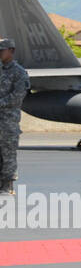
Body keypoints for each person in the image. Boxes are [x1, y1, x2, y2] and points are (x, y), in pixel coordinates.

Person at [0, 37, 29, 196]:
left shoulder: (19, 72)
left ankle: (7, 184)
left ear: (11, 51)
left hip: (8, 121)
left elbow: (17, 97)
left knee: (8, 153)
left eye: (1, 51)